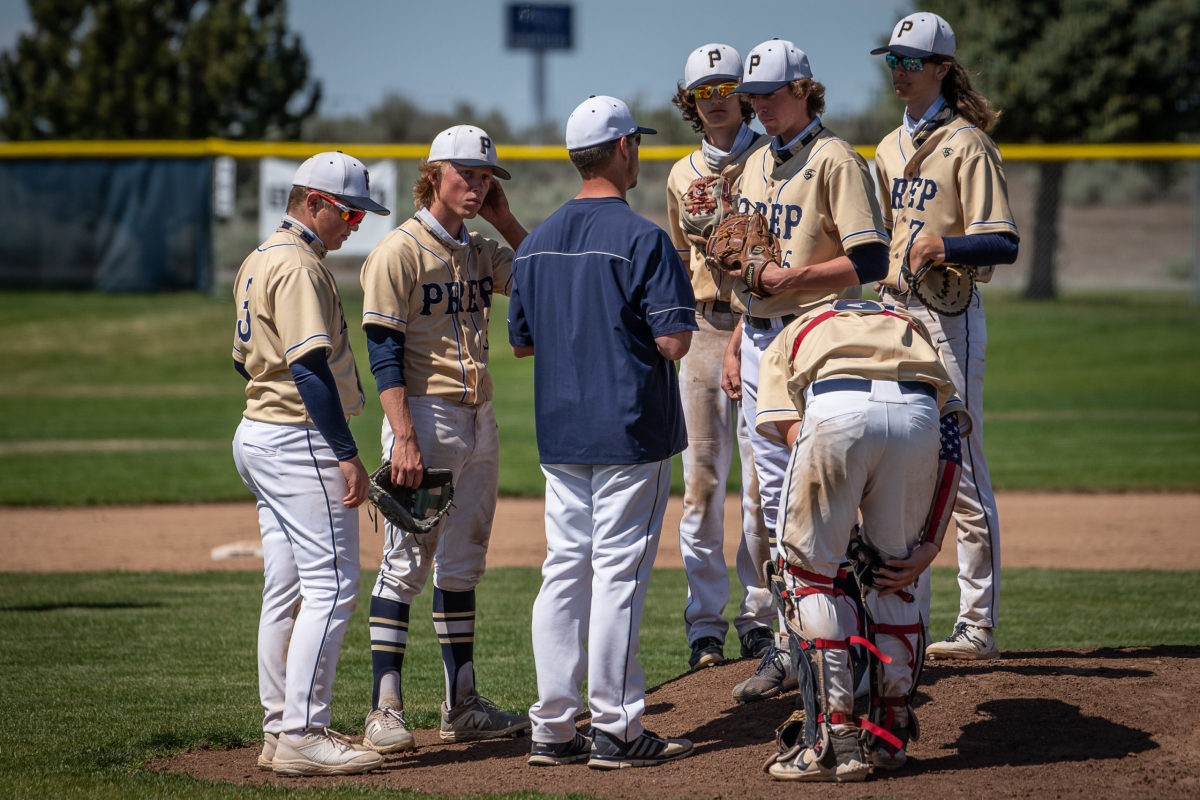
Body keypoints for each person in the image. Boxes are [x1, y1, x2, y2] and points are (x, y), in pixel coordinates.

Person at [509, 95, 698, 769]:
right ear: (622, 150)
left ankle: (553, 729)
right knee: (617, 575)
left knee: (563, 571)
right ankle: (617, 729)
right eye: (637, 144)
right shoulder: (643, 237)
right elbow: (675, 342)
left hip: (560, 436)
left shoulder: (533, 244)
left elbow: (524, 345)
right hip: (629, 433)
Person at [718, 39, 890, 703]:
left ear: (805, 88)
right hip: (761, 341)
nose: (758, 106)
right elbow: (746, 265)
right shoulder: (755, 161)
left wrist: (797, 277)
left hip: (819, 340)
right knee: (767, 505)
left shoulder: (836, 160)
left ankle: (854, 642)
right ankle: (791, 647)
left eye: (770, 93)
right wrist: (737, 334)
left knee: (827, 500)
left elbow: (871, 262)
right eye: (751, 97)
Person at [358, 125, 530, 752]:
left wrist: (508, 221)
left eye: (487, 178)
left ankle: (462, 705)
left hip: (480, 416)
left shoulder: (483, 250)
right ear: (433, 175)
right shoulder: (398, 251)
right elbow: (382, 349)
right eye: (467, 175)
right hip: (424, 419)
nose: (478, 186)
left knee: (463, 563)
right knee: (405, 562)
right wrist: (402, 436)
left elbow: (543, 277)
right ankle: (385, 709)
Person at [753, 297, 968, 780]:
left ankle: (836, 743)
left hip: (835, 408)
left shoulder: (794, 329)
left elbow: (793, 431)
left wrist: (840, 523)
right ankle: (889, 738)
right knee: (894, 575)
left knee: (808, 578)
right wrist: (931, 543)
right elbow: (952, 434)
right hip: (918, 419)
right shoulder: (907, 324)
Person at [231, 151, 389, 776]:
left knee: (287, 588)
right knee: (333, 585)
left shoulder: (260, 257)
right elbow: (307, 368)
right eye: (349, 212)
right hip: (299, 439)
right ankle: (302, 731)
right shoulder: (298, 267)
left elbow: (243, 361)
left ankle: (278, 728)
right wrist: (347, 454)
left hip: (258, 433)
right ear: (314, 202)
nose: (355, 224)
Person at [870, 11, 1019, 660]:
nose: (898, 72)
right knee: (903, 459)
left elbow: (1004, 240)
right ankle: (908, 615)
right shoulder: (884, 148)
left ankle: (978, 624)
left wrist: (946, 243)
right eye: (892, 61)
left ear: (940, 69)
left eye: (909, 62)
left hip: (949, 316)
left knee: (960, 465)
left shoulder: (968, 144)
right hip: (894, 317)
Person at [664, 43, 774, 671]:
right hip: (706, 330)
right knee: (702, 485)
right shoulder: (681, 174)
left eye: (727, 86)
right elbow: (682, 258)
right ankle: (704, 625)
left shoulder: (772, 158)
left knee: (763, 484)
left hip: (763, 327)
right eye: (704, 91)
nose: (717, 99)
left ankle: (758, 618)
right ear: (690, 100)